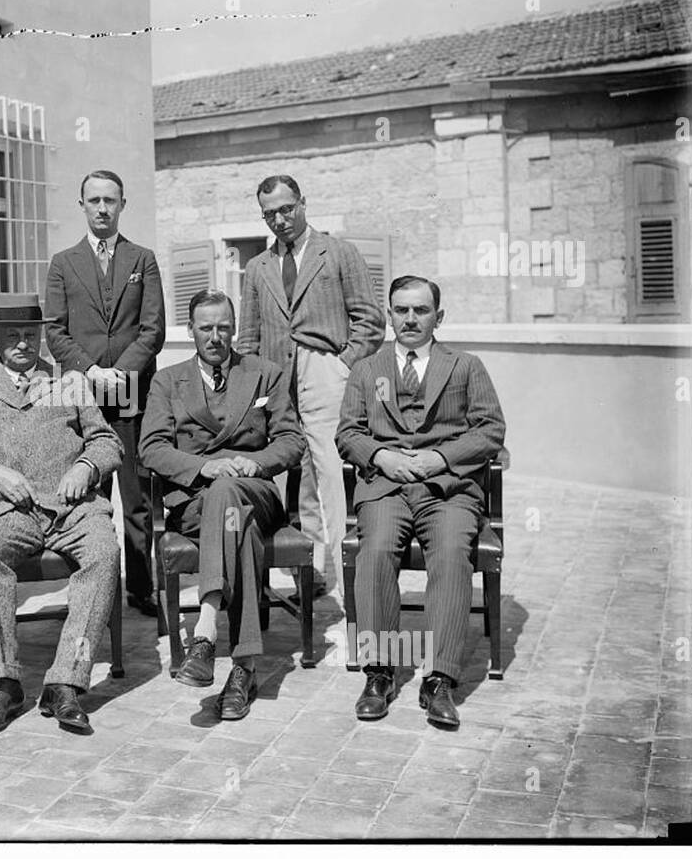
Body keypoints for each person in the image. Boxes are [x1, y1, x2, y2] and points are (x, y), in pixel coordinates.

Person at [0, 294, 123, 736]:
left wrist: (87, 466)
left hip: (72, 507)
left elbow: (107, 441)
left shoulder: (71, 382)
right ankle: (3, 684)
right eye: (11, 336)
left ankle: (65, 682)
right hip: (5, 508)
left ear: (40, 336)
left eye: (29, 334)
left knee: (104, 552)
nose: (22, 344)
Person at [336, 276, 506, 728]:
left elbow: (490, 430)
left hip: (448, 490)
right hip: (385, 488)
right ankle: (379, 673)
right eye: (401, 310)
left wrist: (439, 458)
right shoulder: (366, 370)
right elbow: (347, 433)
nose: (410, 319)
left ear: (438, 316)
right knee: (374, 554)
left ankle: (440, 680)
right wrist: (381, 456)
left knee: (452, 555)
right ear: (389, 315)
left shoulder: (466, 367)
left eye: (421, 310)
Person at [140, 290, 304, 720]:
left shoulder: (265, 373)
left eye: (223, 327)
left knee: (230, 494)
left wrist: (253, 463)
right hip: (197, 496)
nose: (215, 336)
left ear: (234, 329)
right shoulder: (167, 380)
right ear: (191, 330)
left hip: (254, 488)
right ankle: (243, 670)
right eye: (205, 328)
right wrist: (204, 469)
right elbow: (151, 448)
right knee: (237, 522)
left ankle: (207, 625)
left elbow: (291, 441)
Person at [237, 174, 382, 605]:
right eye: (269, 214)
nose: (279, 220)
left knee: (331, 474)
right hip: (274, 379)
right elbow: (247, 336)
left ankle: (348, 577)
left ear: (303, 203)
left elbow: (370, 321)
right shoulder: (257, 267)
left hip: (324, 372)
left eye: (286, 209)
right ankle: (309, 569)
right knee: (286, 476)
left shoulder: (339, 253)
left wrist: (341, 365)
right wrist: (251, 385)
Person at [44, 170, 165, 619]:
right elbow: (54, 331)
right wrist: (93, 371)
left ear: (122, 205)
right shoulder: (63, 262)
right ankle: (92, 584)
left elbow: (153, 329)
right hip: (82, 393)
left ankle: (140, 587)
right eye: (93, 200)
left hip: (133, 392)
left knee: (136, 494)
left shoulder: (142, 259)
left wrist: (121, 372)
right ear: (81, 205)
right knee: (86, 494)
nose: (101, 208)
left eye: (109, 200)